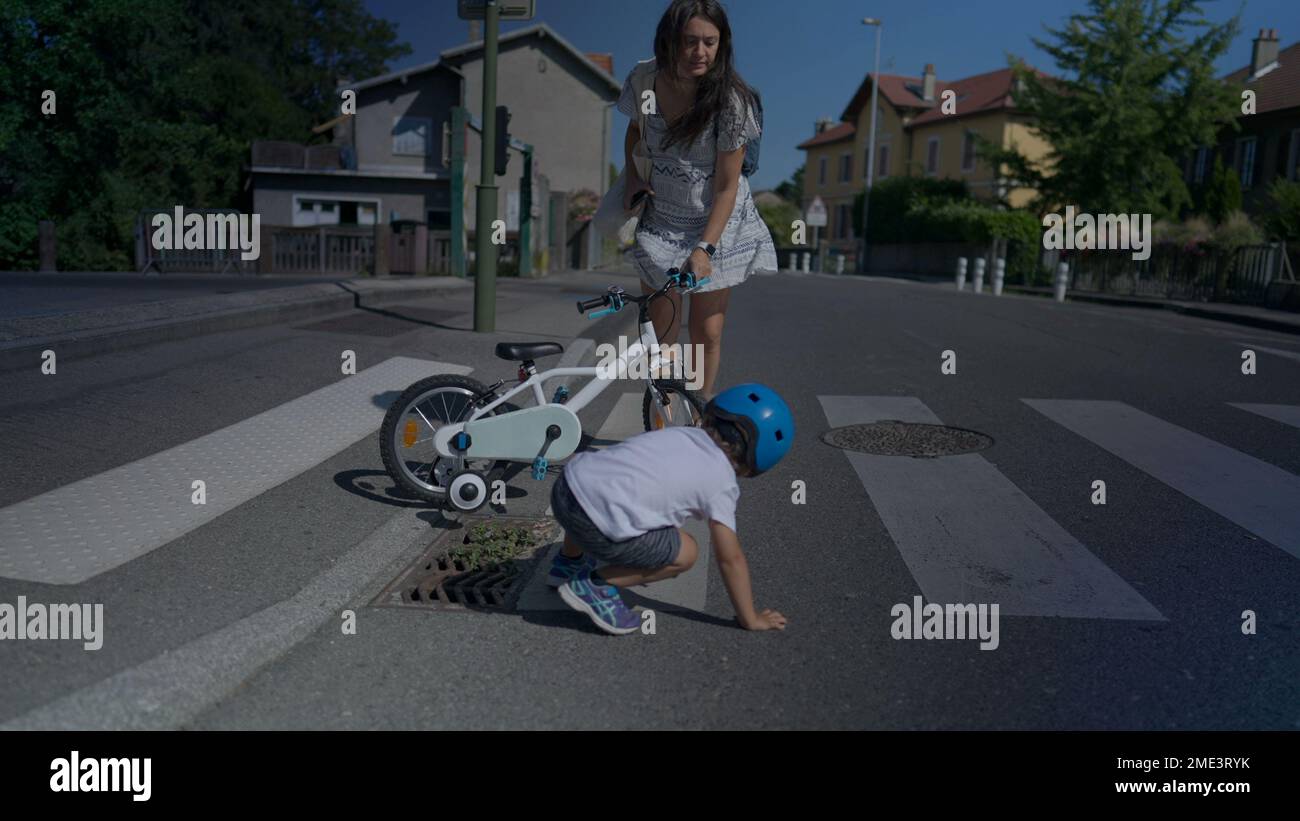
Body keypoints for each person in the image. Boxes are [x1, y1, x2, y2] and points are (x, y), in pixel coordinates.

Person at [618, 0, 778, 401]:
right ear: (669, 42)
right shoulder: (645, 82)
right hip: (663, 217)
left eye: (710, 42)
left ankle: (699, 416)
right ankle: (663, 417)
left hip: (716, 221)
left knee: (706, 330)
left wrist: (704, 248)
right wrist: (634, 179)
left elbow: (727, 187)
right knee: (663, 330)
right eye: (689, 42)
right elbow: (635, 133)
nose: (700, 52)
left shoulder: (730, 102)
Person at [547, 383, 794, 635]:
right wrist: (750, 619)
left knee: (601, 490)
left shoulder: (679, 434)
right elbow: (730, 559)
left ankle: (567, 562)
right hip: (595, 520)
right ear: (757, 459)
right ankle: (594, 585)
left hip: (567, 486)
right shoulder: (722, 482)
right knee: (686, 552)